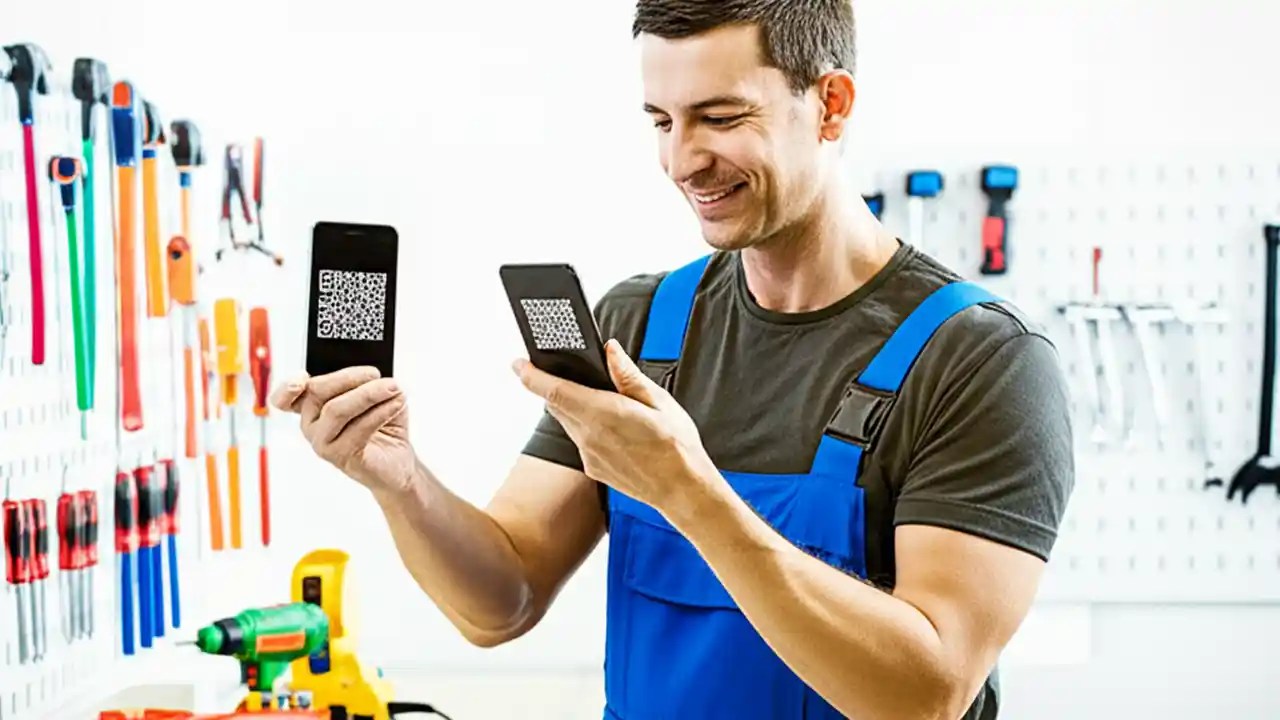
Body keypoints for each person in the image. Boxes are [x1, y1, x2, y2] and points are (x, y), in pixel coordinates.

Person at [270, 1, 1075, 718]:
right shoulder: (641, 326)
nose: (682, 161)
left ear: (830, 106)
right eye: (663, 121)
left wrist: (687, 492)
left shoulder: (980, 362)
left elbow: (924, 696)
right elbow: (500, 603)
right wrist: (400, 481)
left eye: (721, 118)